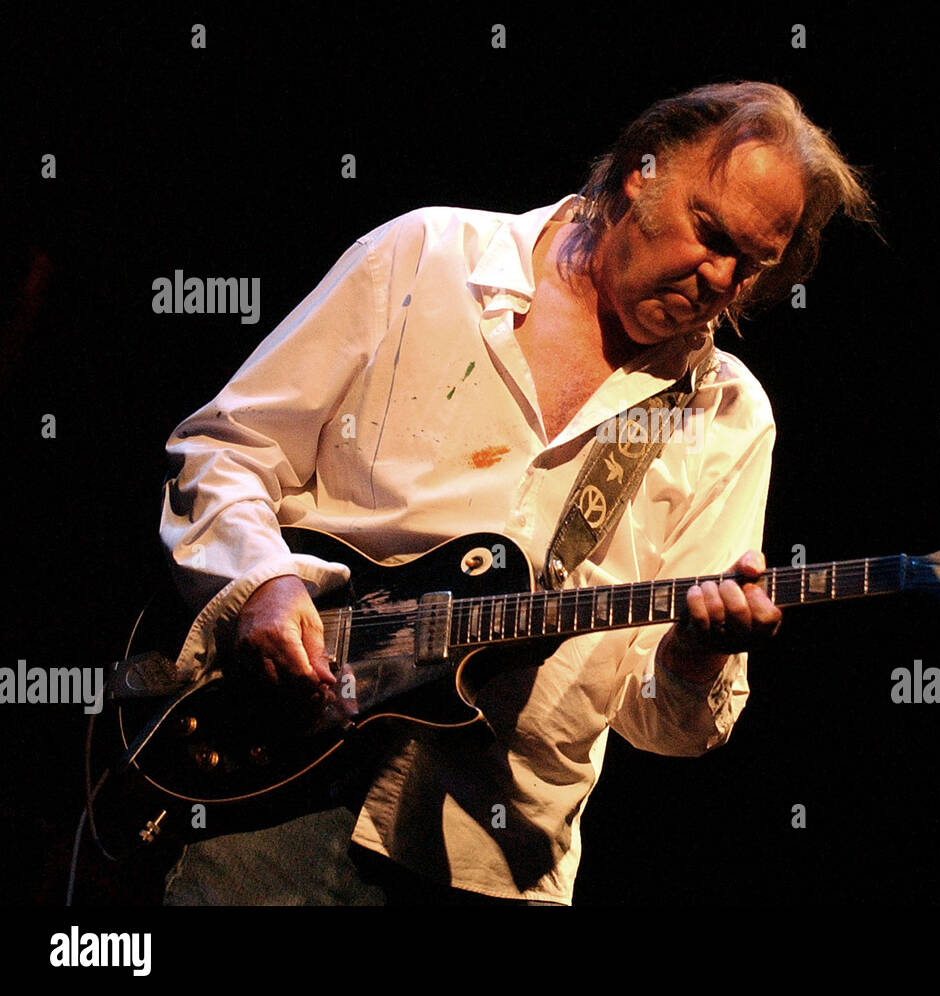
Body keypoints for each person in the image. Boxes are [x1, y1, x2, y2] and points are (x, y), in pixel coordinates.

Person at [158, 80, 876, 905]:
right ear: (641, 172)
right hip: (280, 781)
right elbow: (227, 449)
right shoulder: (430, 257)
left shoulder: (730, 415)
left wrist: (694, 651)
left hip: (493, 858)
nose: (721, 276)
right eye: (709, 232)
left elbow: (661, 720)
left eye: (752, 263)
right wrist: (263, 584)